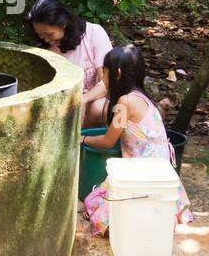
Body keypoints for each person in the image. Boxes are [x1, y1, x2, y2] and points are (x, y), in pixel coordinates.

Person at [81, 44, 192, 234]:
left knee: (93, 206)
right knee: (94, 200)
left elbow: (108, 142)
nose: (102, 77)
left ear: (116, 74)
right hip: (160, 169)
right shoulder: (139, 96)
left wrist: (81, 139)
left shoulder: (125, 102)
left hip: (143, 175)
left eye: (104, 72)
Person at [25, 0, 113, 128]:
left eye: (50, 34)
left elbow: (106, 82)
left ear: (63, 24)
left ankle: (86, 141)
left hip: (94, 99)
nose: (46, 39)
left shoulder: (94, 33)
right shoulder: (45, 49)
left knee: (99, 109)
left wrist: (84, 99)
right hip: (62, 103)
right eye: (41, 35)